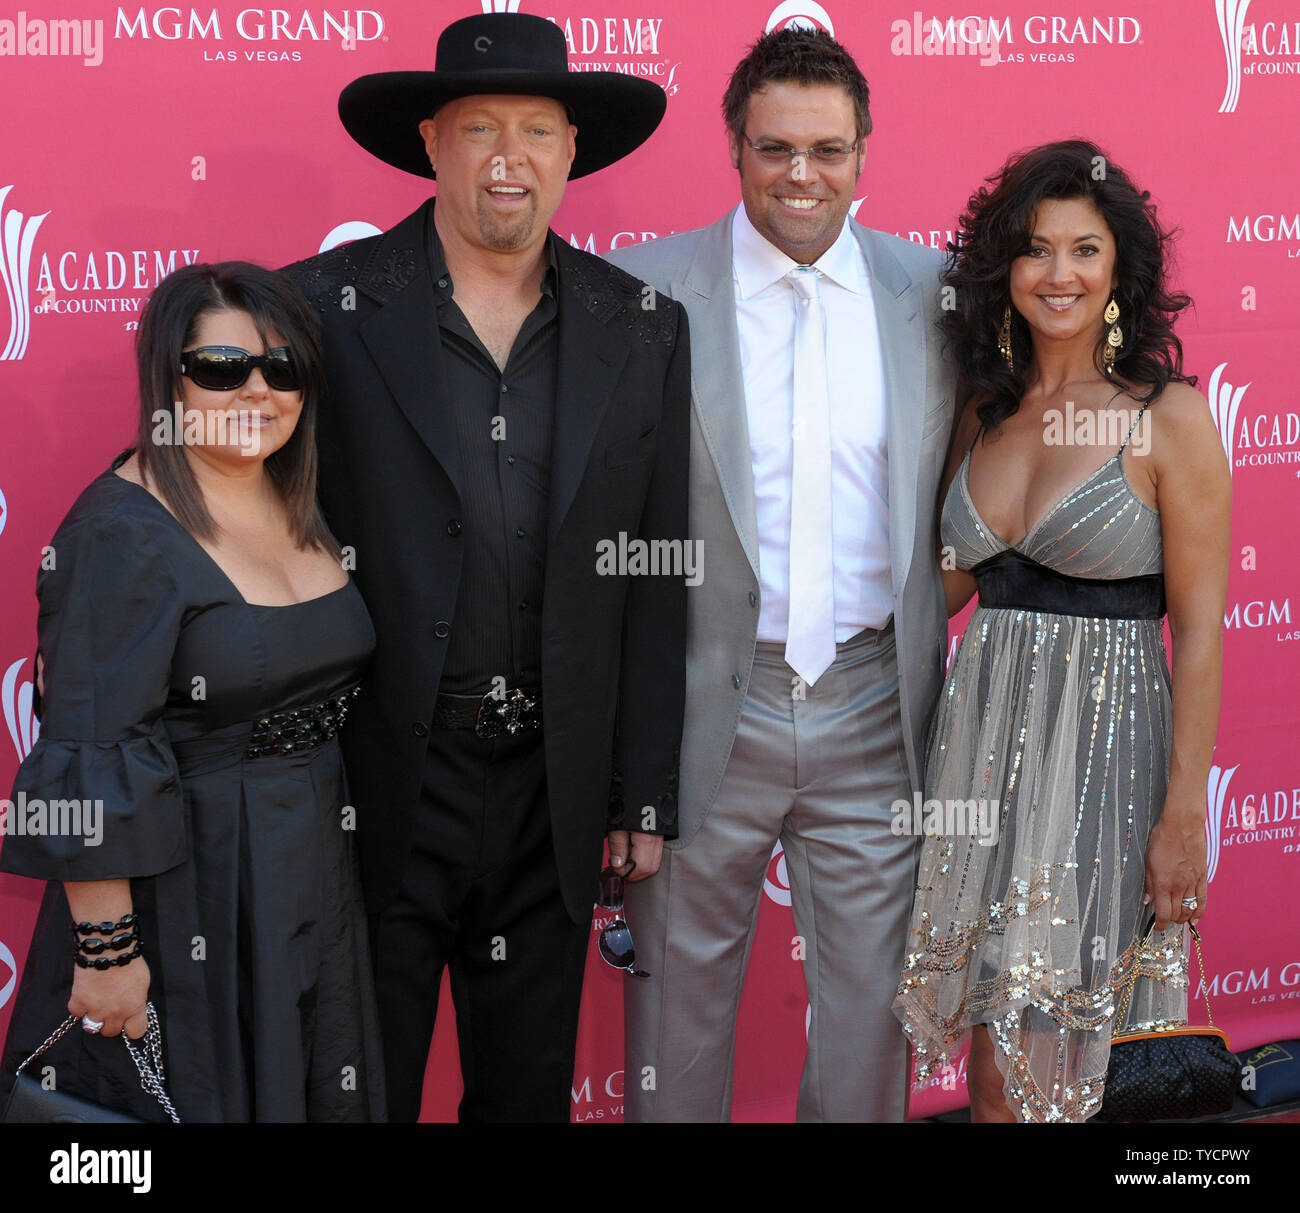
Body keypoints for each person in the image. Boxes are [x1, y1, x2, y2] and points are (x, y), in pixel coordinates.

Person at [281, 11, 689, 1123]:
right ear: (429, 141)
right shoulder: (320, 308)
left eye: (534, 130)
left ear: (570, 151)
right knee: (358, 1092)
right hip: (373, 784)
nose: (507, 157)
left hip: (549, 798)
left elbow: (654, 571)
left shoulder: (644, 326)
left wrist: (640, 787)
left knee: (524, 1098)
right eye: (477, 128)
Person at [606, 26, 956, 1122]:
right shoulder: (643, 289)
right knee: (677, 1020)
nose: (802, 175)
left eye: (828, 149)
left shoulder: (936, 292)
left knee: (869, 1030)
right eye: (775, 149)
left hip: (873, 702)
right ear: (734, 146)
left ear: (863, 150)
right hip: (706, 702)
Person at [892, 140, 1230, 1122]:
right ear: (1007, 269)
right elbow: (944, 591)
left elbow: (1202, 638)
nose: (1059, 274)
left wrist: (1183, 816)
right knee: (994, 1070)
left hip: (1104, 777)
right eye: (1037, 250)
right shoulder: (982, 413)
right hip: (979, 766)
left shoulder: (1168, 418)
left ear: (1119, 267)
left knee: (1066, 1074)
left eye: (1084, 250)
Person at [0, 261, 386, 1121]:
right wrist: (105, 952)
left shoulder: (300, 501)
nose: (259, 388)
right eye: (221, 367)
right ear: (167, 377)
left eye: (283, 368)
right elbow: (90, 750)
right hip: (189, 893)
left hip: (314, 872)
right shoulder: (120, 530)